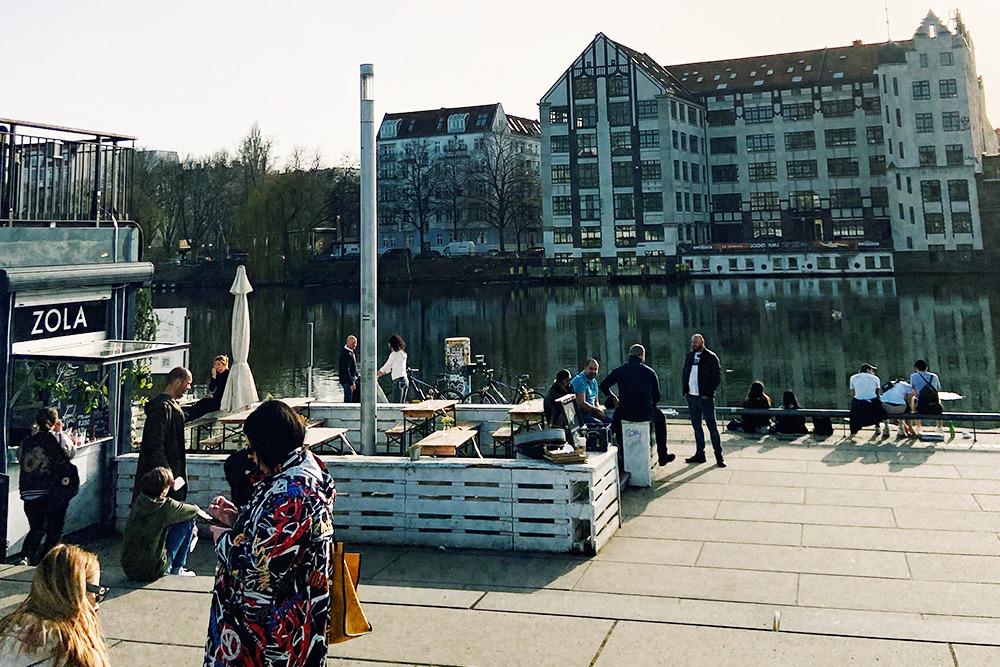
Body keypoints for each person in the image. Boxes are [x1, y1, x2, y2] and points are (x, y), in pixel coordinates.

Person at [203, 400, 336, 667]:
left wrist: (223, 539)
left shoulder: (292, 492)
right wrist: (237, 519)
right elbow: (276, 537)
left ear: (270, 446)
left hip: (270, 636)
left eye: (252, 448)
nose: (250, 456)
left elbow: (259, 569)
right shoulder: (299, 470)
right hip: (278, 625)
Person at [0, 544, 111, 667]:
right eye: (96, 592)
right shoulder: (74, 652)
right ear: (77, 591)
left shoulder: (7, 632)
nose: (97, 604)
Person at [133, 366, 191, 565]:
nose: (188, 388)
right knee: (172, 519)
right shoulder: (162, 408)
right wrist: (168, 476)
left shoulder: (168, 406)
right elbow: (154, 444)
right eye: (187, 383)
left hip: (168, 475)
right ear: (177, 381)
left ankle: (171, 563)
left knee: (174, 518)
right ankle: (169, 564)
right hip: (164, 479)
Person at [17, 408, 77, 566]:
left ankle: (25, 556)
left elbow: (19, 457)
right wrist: (61, 433)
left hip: (28, 492)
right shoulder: (56, 439)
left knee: (36, 527)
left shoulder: (26, 442)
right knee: (54, 529)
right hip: (50, 492)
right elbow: (70, 453)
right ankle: (47, 561)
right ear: (56, 422)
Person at [599, 344, 674, 466]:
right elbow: (657, 397)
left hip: (625, 412)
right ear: (642, 356)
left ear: (629, 356)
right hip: (645, 413)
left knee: (616, 421)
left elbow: (603, 386)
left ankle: (623, 453)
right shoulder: (650, 372)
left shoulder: (619, 370)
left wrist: (614, 398)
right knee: (660, 419)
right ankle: (662, 454)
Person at [121, 467, 201, 580]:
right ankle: (176, 568)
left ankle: (172, 567)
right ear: (165, 487)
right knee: (188, 521)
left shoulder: (139, 501)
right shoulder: (166, 506)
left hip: (130, 569)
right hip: (153, 570)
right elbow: (194, 510)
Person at [681, 334, 725, 467]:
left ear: (702, 342)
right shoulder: (689, 357)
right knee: (696, 427)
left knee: (712, 427)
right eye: (692, 342)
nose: (694, 344)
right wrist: (686, 391)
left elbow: (717, 377)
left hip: (705, 398)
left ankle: (719, 456)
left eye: (696, 342)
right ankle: (700, 454)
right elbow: (685, 373)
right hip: (692, 397)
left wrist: (708, 392)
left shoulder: (711, 357)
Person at [185, 356, 230, 421]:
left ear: (224, 365)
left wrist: (214, 396)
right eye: (215, 364)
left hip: (221, 399)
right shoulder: (217, 374)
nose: (216, 366)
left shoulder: (227, 374)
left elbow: (223, 389)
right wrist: (213, 377)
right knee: (201, 402)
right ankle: (188, 413)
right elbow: (211, 388)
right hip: (216, 397)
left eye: (218, 364)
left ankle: (190, 417)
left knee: (205, 406)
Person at [572, 359, 611, 426]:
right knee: (600, 425)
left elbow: (596, 401)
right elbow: (581, 404)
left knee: (612, 422)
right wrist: (596, 410)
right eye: (590, 368)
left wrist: (599, 411)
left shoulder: (594, 381)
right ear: (585, 368)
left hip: (592, 412)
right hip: (580, 414)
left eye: (595, 369)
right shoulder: (579, 381)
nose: (593, 371)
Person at [849, 363, 884, 436]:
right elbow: (877, 391)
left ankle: (854, 431)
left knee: (853, 409)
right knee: (878, 404)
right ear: (868, 370)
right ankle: (877, 426)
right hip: (872, 402)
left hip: (858, 403)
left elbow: (853, 392)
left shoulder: (853, 378)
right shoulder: (875, 378)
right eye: (872, 370)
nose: (873, 372)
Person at [910, 359, 943, 435]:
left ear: (916, 368)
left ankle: (918, 426)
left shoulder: (913, 376)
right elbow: (937, 390)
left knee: (913, 399)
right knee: (937, 399)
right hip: (934, 407)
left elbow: (913, 391)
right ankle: (939, 427)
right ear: (926, 368)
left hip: (921, 407)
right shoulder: (934, 376)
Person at [377, 333, 408, 403]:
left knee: (396, 404)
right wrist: (381, 374)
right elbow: (390, 369)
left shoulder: (394, 354)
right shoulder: (403, 354)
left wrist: (378, 373)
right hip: (405, 380)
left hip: (398, 381)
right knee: (401, 405)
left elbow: (386, 366)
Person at [339, 335, 359, 403]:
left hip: (351, 379)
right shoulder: (345, 354)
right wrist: (351, 383)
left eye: (355, 343)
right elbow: (345, 369)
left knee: (352, 398)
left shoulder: (350, 352)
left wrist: (357, 375)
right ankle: (347, 412)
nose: (355, 345)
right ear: (348, 343)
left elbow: (352, 366)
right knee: (348, 399)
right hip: (347, 381)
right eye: (353, 343)